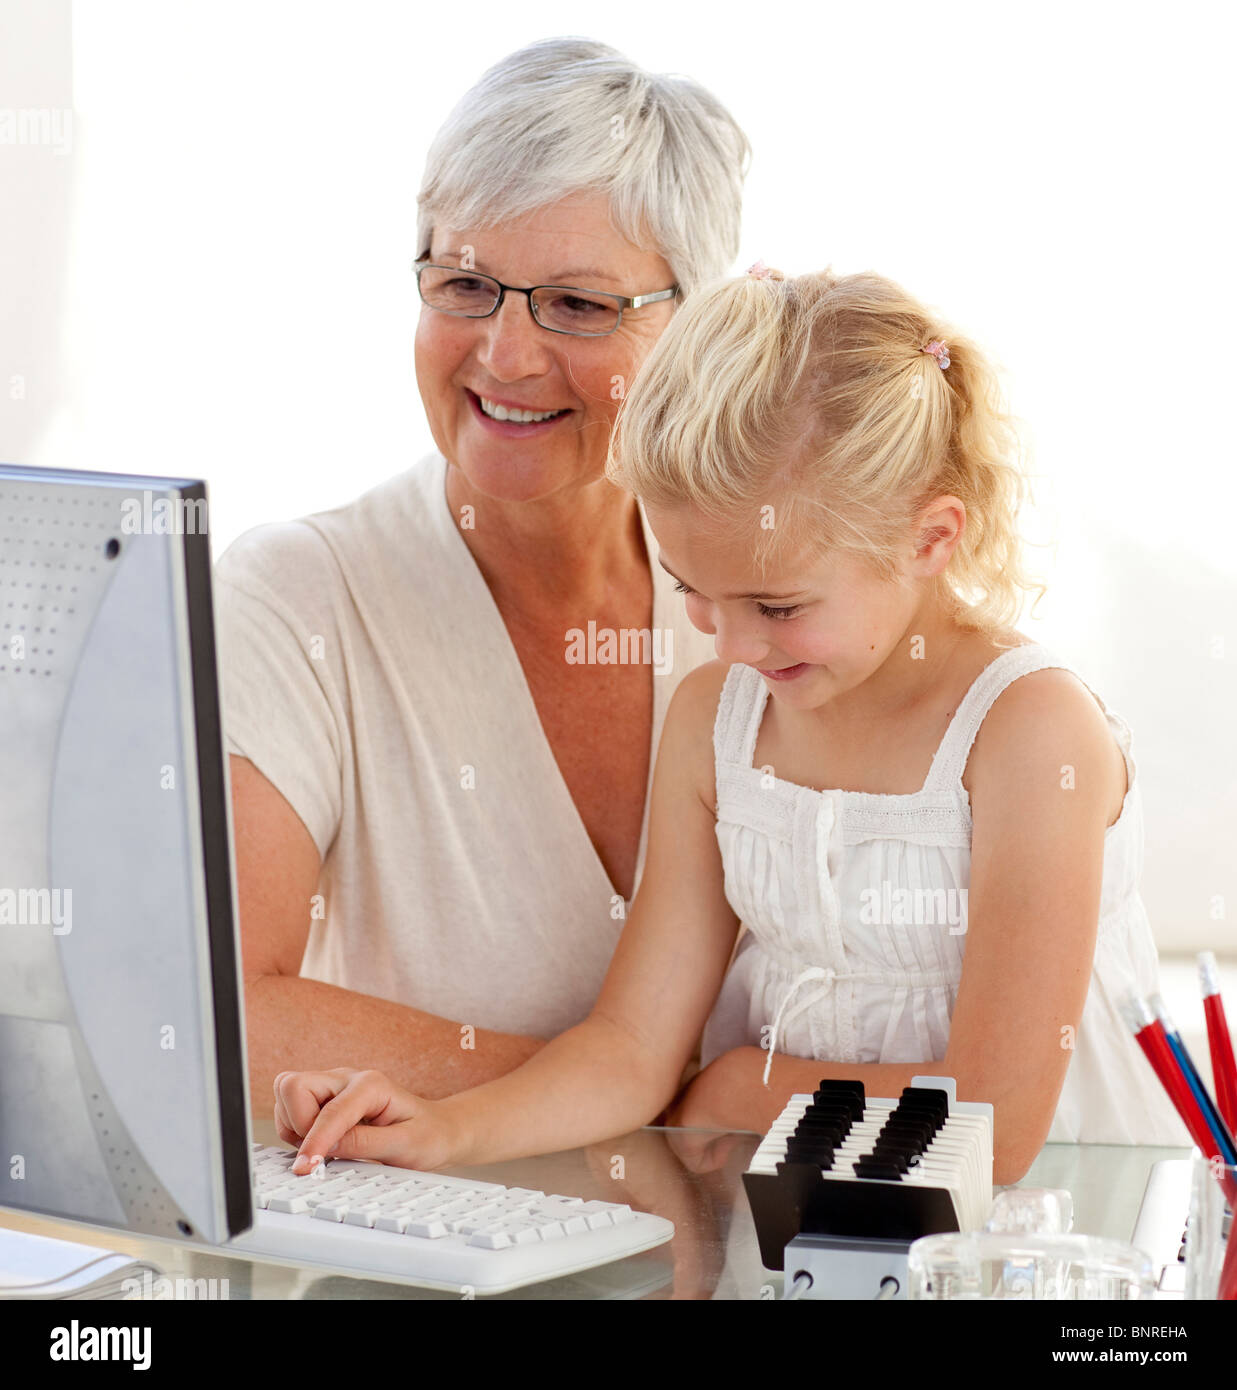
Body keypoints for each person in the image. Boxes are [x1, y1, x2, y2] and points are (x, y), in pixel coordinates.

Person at [273, 264, 1188, 1186]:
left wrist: (748, 1085)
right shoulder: (720, 719)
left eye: (777, 605)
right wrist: (443, 1128)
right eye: (692, 593)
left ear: (930, 537)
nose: (733, 644)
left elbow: (992, 1126)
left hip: (1049, 1235)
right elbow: (631, 1044)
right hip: (810, 1224)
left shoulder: (1029, 734)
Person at [213, 37, 748, 1119]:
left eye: (579, 305)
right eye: (466, 283)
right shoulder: (296, 599)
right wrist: (632, 1089)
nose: (504, 355)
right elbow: (225, 1007)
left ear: (693, 324)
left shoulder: (774, 598)